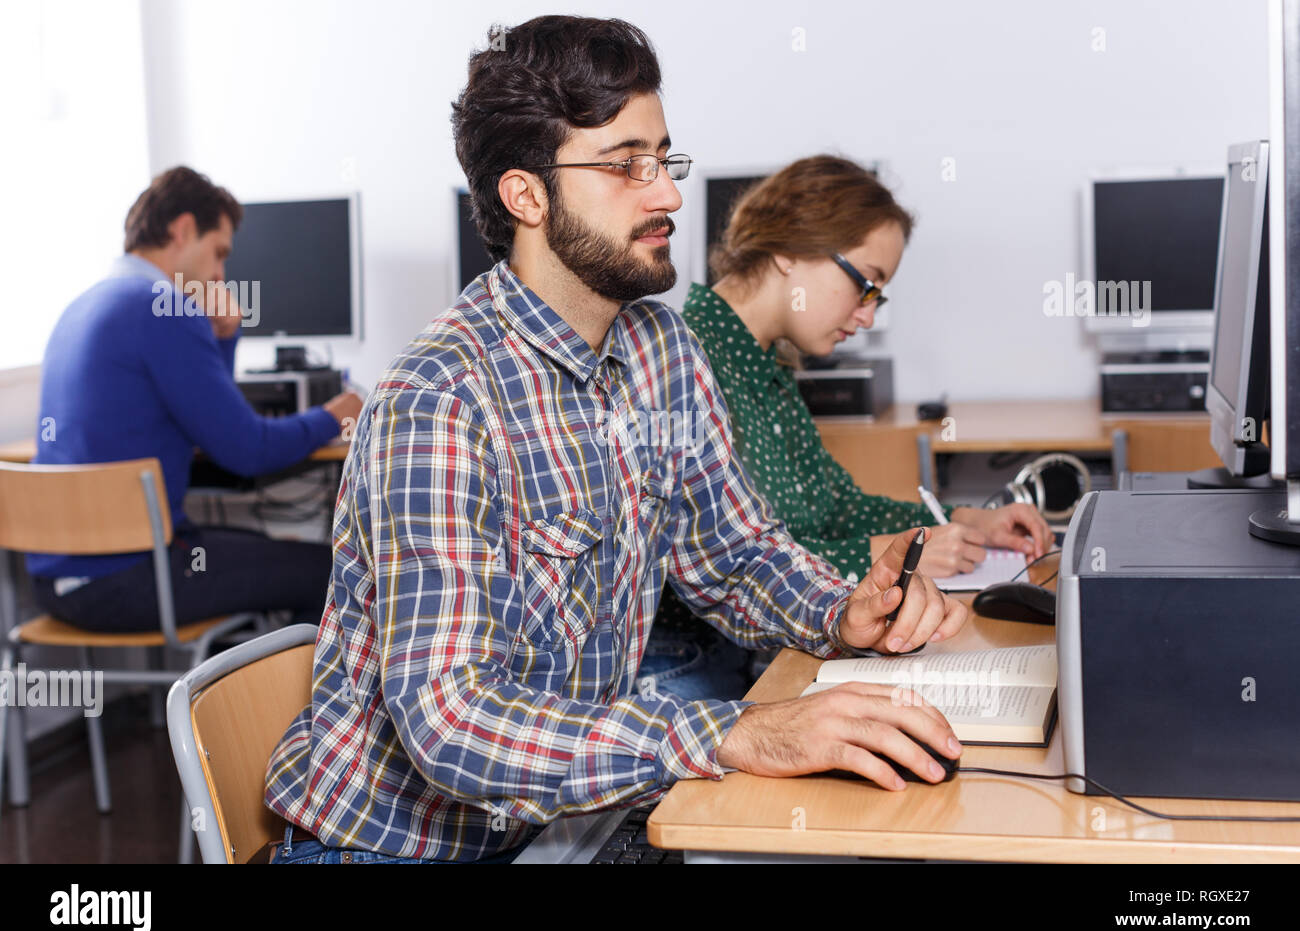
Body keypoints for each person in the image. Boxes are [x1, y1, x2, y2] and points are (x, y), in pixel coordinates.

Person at [263, 15, 967, 866]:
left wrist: (842, 613)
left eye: (663, 159)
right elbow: (450, 723)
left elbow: (735, 552)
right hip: (406, 849)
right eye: (625, 165)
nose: (667, 193)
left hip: (568, 818)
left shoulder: (659, 348)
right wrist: (734, 733)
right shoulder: (441, 400)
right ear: (528, 196)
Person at [644, 156, 1055, 701]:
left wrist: (962, 521)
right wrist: (876, 556)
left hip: (756, 654)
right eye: (866, 284)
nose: (866, 316)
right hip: (686, 668)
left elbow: (835, 505)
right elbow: (692, 570)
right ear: (790, 248)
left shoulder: (763, 361)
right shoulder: (683, 357)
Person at [28, 166, 363, 631]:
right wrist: (334, 414)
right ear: (183, 230)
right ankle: (288, 705)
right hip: (128, 580)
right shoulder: (161, 306)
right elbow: (248, 450)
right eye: (219, 253)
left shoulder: (84, 305)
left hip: (58, 582)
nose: (221, 274)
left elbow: (207, 416)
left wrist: (222, 337)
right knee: (334, 571)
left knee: (244, 547)